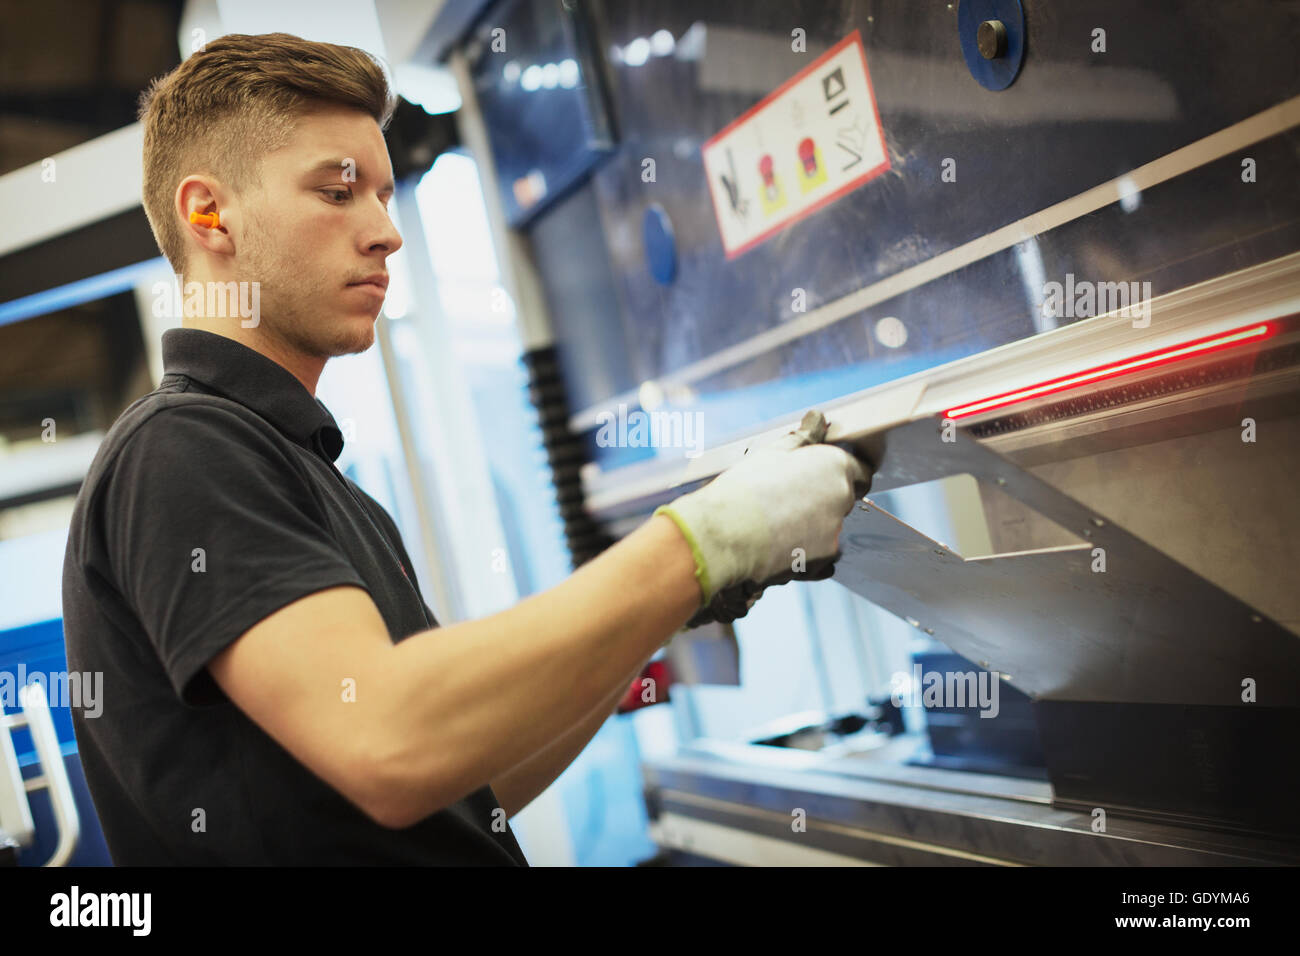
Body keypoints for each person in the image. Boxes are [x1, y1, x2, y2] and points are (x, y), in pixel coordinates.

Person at [60, 32, 871, 865]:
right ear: (209, 213)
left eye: (383, 194)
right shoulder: (183, 447)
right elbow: (393, 743)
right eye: (339, 192)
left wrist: (665, 611)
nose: (386, 232)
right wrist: (705, 540)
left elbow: (459, 786)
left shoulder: (310, 474)